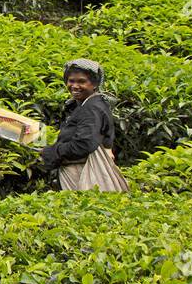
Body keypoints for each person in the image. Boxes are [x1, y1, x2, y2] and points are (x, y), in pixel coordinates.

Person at [38, 59, 129, 193]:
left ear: (94, 84)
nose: (74, 86)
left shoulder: (92, 108)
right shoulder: (89, 104)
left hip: (83, 173)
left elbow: (83, 144)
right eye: (71, 81)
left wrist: (51, 152)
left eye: (81, 81)